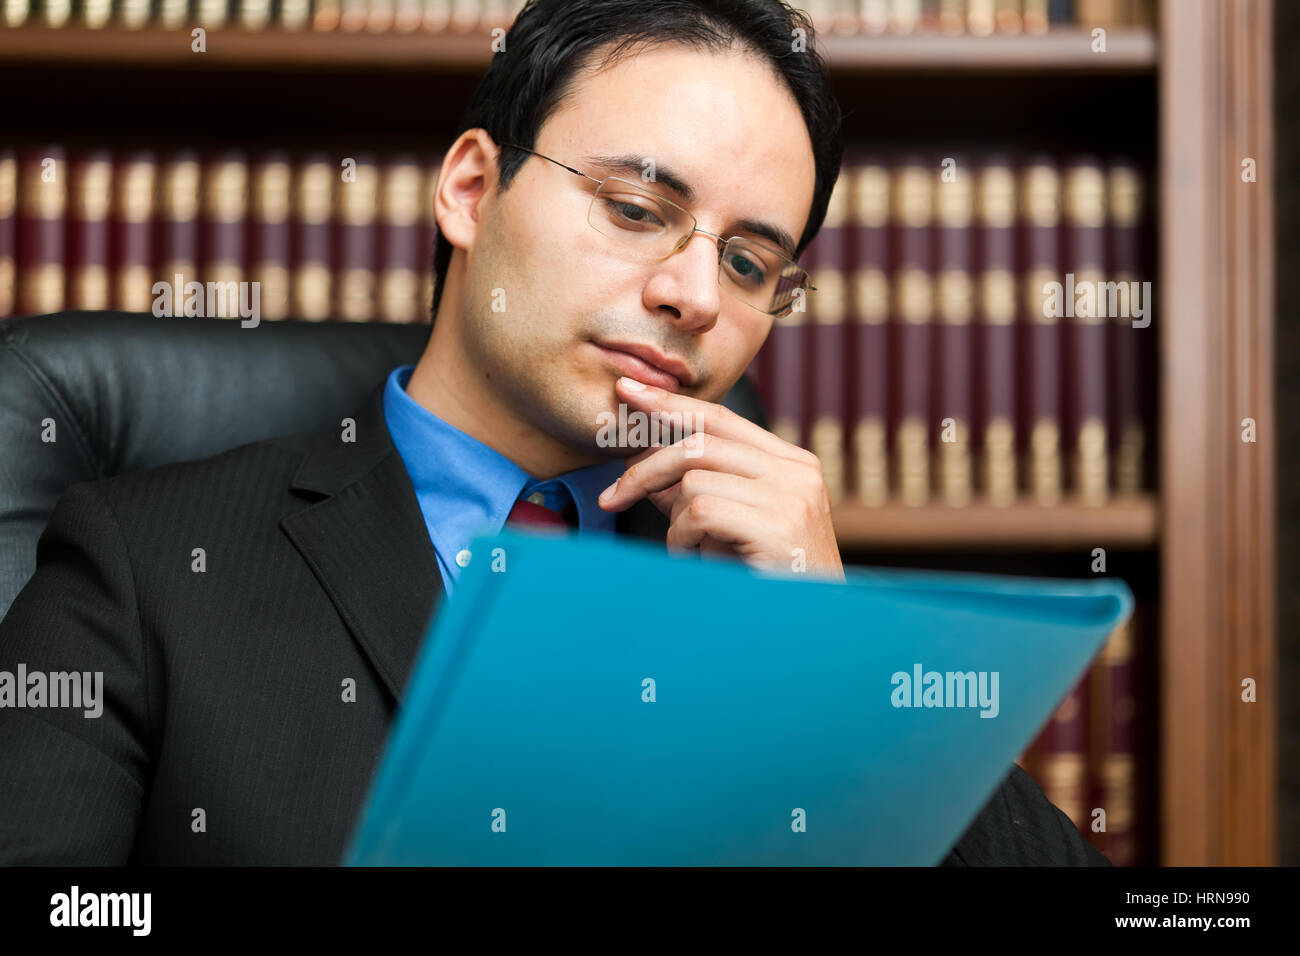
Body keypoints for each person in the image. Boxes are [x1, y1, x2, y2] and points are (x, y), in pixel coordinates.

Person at [0, 0, 1107, 866]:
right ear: (472, 189)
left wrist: (826, 655)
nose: (692, 294)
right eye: (635, 208)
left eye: (748, 262)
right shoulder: (143, 561)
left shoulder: (751, 594)